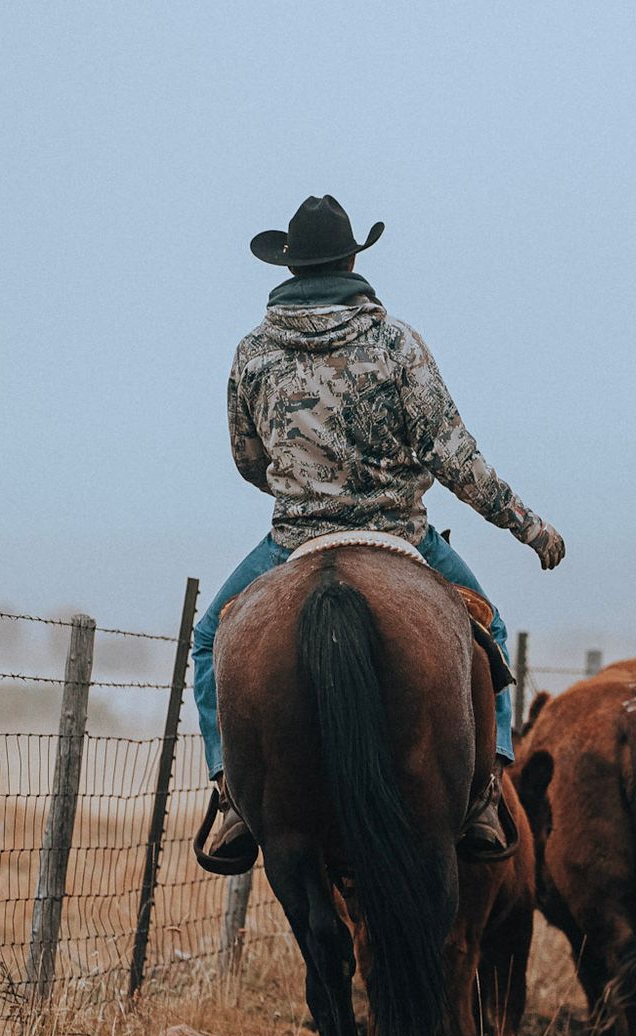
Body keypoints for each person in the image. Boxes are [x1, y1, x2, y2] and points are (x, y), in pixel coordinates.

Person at [195, 195, 565, 868]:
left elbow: (250, 460)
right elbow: (455, 456)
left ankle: (229, 799)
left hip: (293, 539)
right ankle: (483, 797)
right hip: (400, 531)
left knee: (207, 638)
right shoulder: (396, 342)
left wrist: (307, 489)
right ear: (351, 259)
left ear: (291, 264)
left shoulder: (252, 351)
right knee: (493, 632)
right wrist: (528, 526)